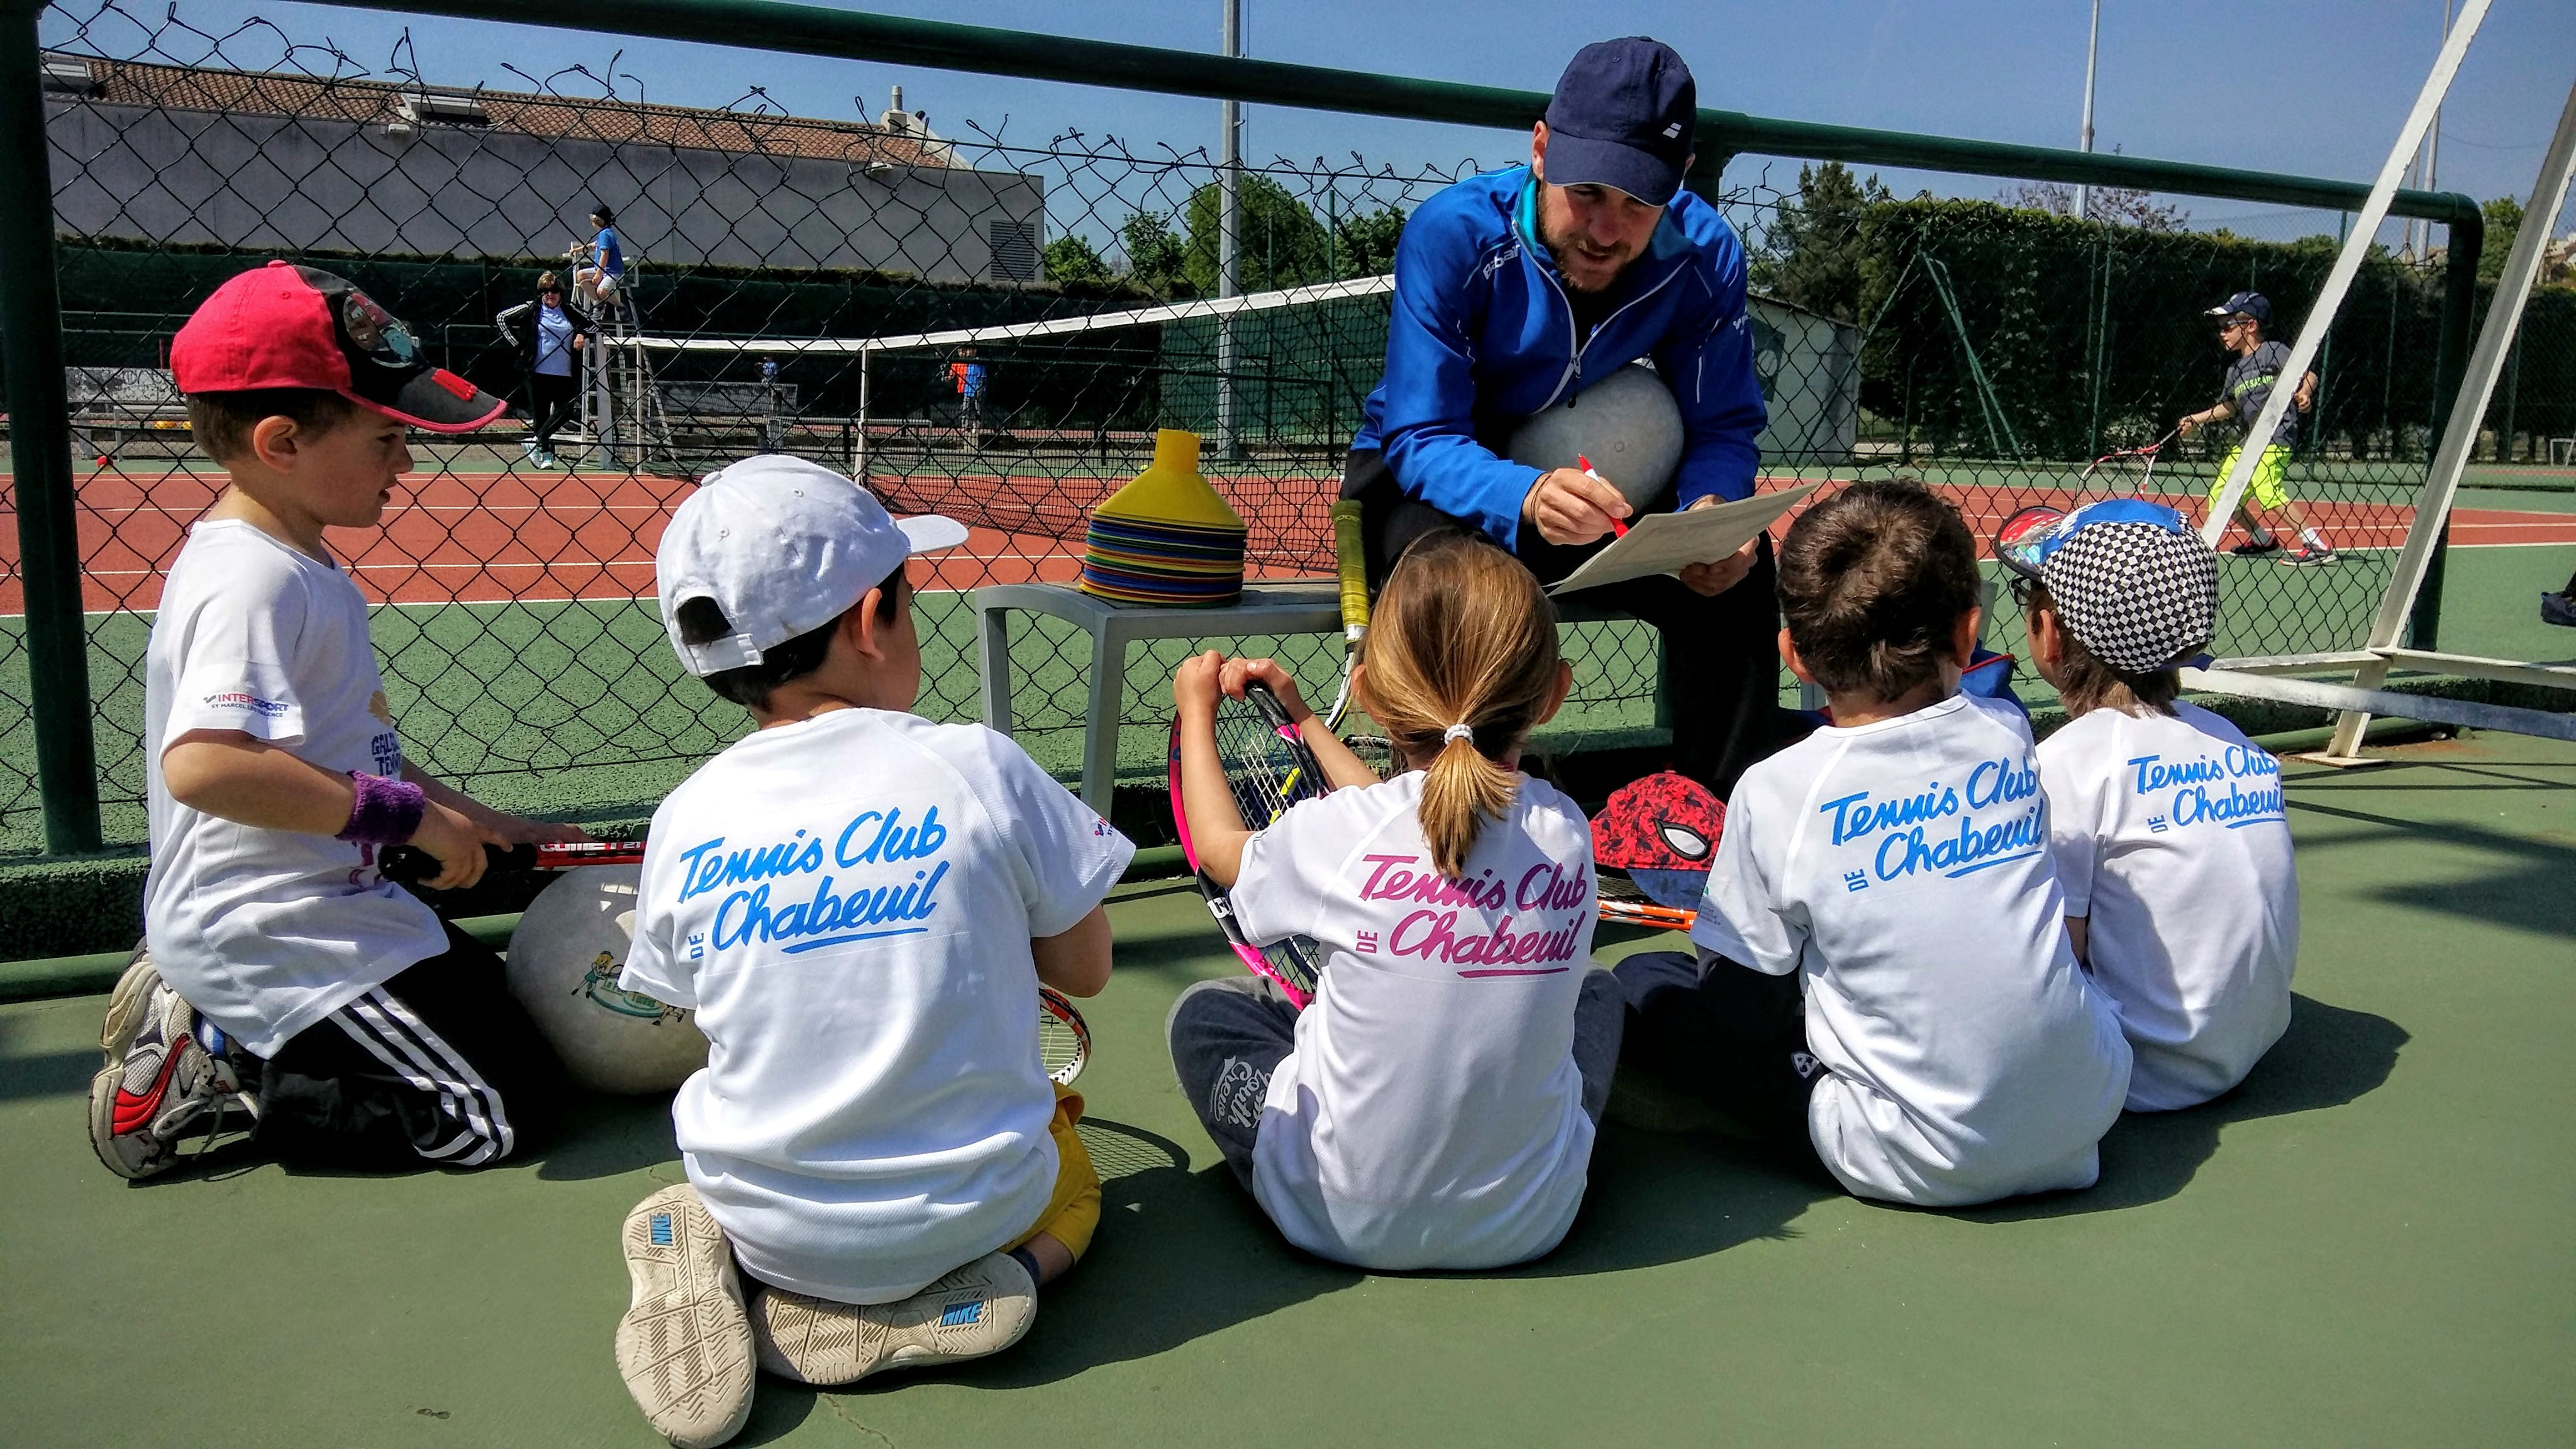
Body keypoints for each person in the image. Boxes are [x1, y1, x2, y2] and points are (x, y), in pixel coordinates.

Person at [610, 455, 1132, 1448]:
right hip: (976, 1214)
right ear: (867, 619)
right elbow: (1087, 970)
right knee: (1076, 1171)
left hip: (767, 1216)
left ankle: (721, 1245)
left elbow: (685, 1004)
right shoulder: (977, 763)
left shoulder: (685, 816)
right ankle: (1006, 1279)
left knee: (740, 1157)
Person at [94, 261, 581, 1183]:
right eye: (388, 436)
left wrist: (485, 821)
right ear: (282, 441)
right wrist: (411, 822)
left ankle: (229, 1022)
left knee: (517, 1015)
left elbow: (356, 756)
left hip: (341, 901)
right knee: (492, 1115)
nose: (407, 460)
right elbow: (206, 768)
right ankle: (225, 1065)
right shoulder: (254, 579)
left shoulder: (298, 560)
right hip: (270, 925)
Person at [1614, 479, 2131, 1206]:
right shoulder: (2008, 734)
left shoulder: (1777, 788)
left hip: (1911, 1155)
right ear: (1966, 631)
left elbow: (1739, 1011)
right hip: (2090, 1102)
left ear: (1793, 653)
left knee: (1648, 985)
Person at [1338, 36, 1799, 797]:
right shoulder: (1452, 233)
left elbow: (1721, 426)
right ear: (1542, 150)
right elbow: (1420, 434)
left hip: (1587, 483)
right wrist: (1519, 495)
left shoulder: (1706, 254)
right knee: (1447, 587)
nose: (1608, 230)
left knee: (1739, 574)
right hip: (1434, 479)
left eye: (1638, 202)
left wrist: (1709, 510)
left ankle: (1712, 829)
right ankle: (1445, 835)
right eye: (1587, 191)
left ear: (1680, 180)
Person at [1165, 532, 1623, 1270]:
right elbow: (1412, 813)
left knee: (1205, 1016)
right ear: (1553, 695)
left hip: (1331, 1220)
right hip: (1533, 1220)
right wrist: (1304, 721)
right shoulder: (1565, 832)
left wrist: (1196, 713)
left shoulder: (1343, 837)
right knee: (1598, 994)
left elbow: (1221, 847)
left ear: (1371, 693)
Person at [2006, 499, 2297, 1111]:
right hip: (2251, 1045)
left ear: (2050, 633)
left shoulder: (2072, 762)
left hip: (2137, 1073)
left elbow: (2054, 950)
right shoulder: (2232, 739)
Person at [2180, 291, 2337, 566]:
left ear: (2251, 326)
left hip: (2277, 436)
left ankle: (2317, 545)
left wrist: (2304, 393)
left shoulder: (2274, 351)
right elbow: (2230, 406)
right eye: (2221, 328)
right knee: (2220, 496)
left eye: (2228, 326)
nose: (2222, 334)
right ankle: (2264, 540)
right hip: (2249, 442)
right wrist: (2196, 418)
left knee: (2267, 489)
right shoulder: (2235, 370)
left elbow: (2308, 374)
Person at [495, 271, 594, 469]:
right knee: (541, 415)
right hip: (538, 372)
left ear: (561, 292)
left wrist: (581, 334)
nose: (550, 294)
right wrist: (520, 345)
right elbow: (501, 318)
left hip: (564, 372)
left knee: (565, 411)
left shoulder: (569, 310)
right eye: (545, 290)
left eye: (554, 290)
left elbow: (593, 326)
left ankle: (534, 441)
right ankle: (547, 455)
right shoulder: (532, 309)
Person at [574, 204, 626, 313]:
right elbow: (595, 245)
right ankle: (598, 303)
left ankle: (620, 307)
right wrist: (579, 249)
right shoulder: (604, 233)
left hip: (612, 272)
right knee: (581, 275)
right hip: (603, 270)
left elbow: (604, 255)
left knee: (602, 291)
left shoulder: (605, 235)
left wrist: (599, 274)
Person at [949, 346, 987, 445]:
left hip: (977, 389)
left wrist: (981, 388)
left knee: (978, 409)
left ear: (975, 351)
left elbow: (983, 377)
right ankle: (965, 426)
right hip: (968, 389)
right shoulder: (966, 363)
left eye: (970, 350)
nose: (967, 352)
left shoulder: (979, 363)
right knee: (966, 408)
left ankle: (977, 425)